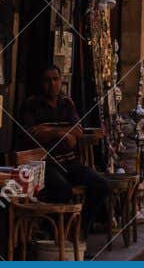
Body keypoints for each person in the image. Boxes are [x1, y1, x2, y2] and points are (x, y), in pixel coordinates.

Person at [18, 66, 110, 236]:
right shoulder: (32, 104)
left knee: (101, 184)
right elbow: (32, 134)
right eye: (47, 81)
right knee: (62, 188)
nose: (52, 84)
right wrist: (61, 133)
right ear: (41, 83)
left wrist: (50, 130)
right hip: (45, 164)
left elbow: (77, 130)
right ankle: (54, 232)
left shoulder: (66, 103)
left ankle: (80, 228)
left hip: (69, 160)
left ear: (61, 81)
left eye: (55, 79)